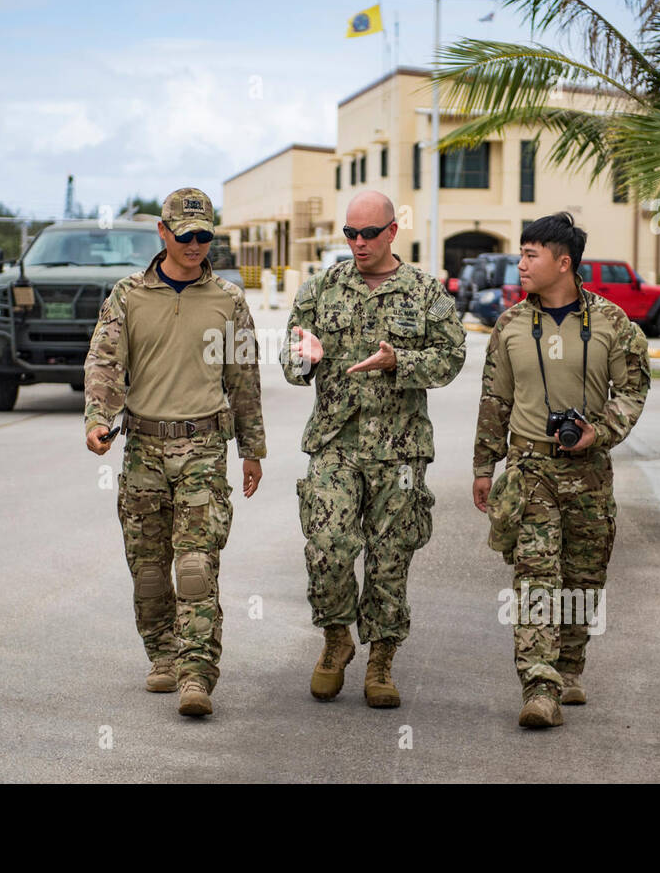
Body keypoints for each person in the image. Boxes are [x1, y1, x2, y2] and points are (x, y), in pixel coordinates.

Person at [84, 187, 265, 718]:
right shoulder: (127, 295)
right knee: (147, 568)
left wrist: (252, 449)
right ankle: (161, 654)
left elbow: (244, 379)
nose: (195, 244)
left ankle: (195, 674)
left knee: (194, 565)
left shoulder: (228, 300)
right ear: (162, 233)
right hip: (143, 446)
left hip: (204, 447)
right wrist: (97, 419)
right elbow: (104, 364)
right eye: (185, 235)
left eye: (204, 235)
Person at [282, 189, 465, 708]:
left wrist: (398, 363)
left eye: (367, 233)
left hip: (400, 449)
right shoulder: (322, 290)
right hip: (335, 442)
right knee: (329, 543)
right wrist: (307, 359)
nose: (357, 243)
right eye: (350, 233)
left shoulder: (425, 293)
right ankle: (336, 638)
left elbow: (451, 357)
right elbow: (290, 359)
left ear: (392, 231)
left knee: (390, 558)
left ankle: (381, 658)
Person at [473, 212, 649, 728]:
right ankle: (539, 685)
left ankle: (570, 667)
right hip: (530, 470)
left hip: (590, 469)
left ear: (563, 262)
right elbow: (494, 399)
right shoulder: (508, 325)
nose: (521, 264)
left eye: (531, 255)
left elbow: (634, 389)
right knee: (535, 577)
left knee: (584, 578)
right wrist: (484, 465)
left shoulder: (614, 324)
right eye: (521, 254)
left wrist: (603, 429)